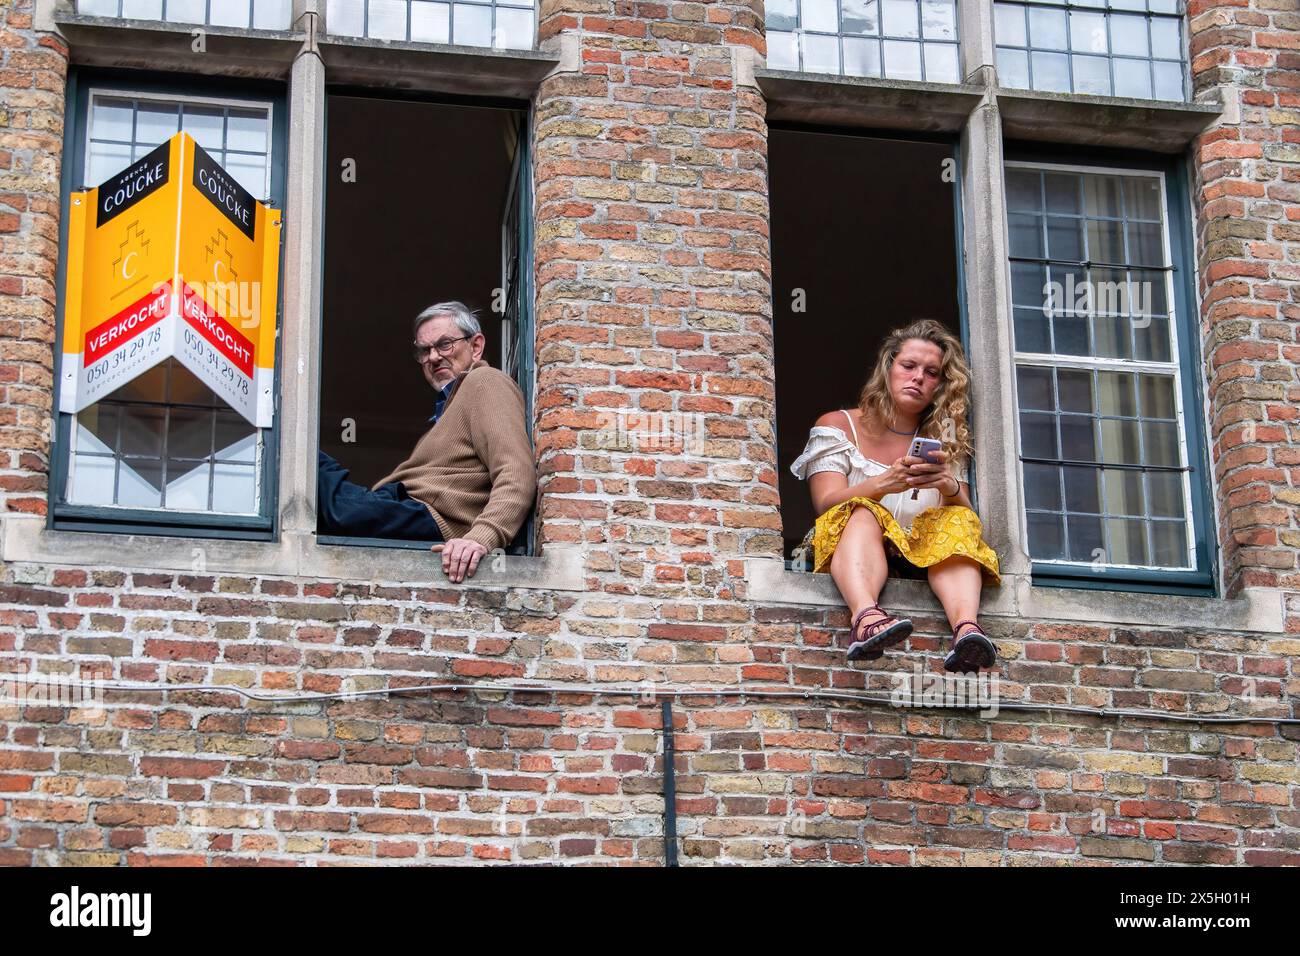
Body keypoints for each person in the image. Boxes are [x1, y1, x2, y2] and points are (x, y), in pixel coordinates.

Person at [790, 319, 1000, 671]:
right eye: (909, 366)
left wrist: (947, 485)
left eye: (931, 372)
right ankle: (866, 618)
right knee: (862, 510)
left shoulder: (945, 439)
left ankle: (967, 629)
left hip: (920, 557)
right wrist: (884, 483)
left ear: (940, 386)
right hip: (847, 544)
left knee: (957, 518)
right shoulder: (837, 425)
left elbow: (968, 524)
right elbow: (826, 503)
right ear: (888, 368)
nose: (918, 377)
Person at [317, 301, 535, 583]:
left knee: (331, 498)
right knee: (334, 512)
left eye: (445, 344)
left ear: (476, 346)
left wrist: (482, 537)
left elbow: (516, 472)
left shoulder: (485, 382)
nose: (433, 357)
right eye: (424, 350)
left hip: (433, 516)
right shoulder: (447, 409)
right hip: (406, 506)